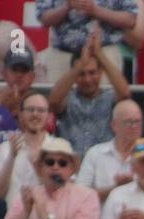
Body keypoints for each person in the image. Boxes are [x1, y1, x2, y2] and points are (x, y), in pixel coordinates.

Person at [49, 30, 131, 159]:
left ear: (101, 73)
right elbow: (53, 101)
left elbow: (125, 93)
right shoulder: (68, 97)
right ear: (75, 75)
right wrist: (80, 64)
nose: (87, 79)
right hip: (70, 165)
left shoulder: (110, 97)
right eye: (82, 74)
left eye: (92, 73)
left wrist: (100, 54)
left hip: (103, 164)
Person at [36, 0, 138, 81]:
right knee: (57, 103)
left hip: (105, 54)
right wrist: (67, 6)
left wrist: (95, 11)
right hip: (62, 55)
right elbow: (43, 17)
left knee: (107, 99)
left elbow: (130, 19)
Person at [77, 100, 144, 204]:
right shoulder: (95, 153)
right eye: (128, 122)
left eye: (137, 122)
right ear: (114, 125)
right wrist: (115, 188)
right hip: (102, 218)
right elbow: (80, 195)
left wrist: (136, 184)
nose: (134, 126)